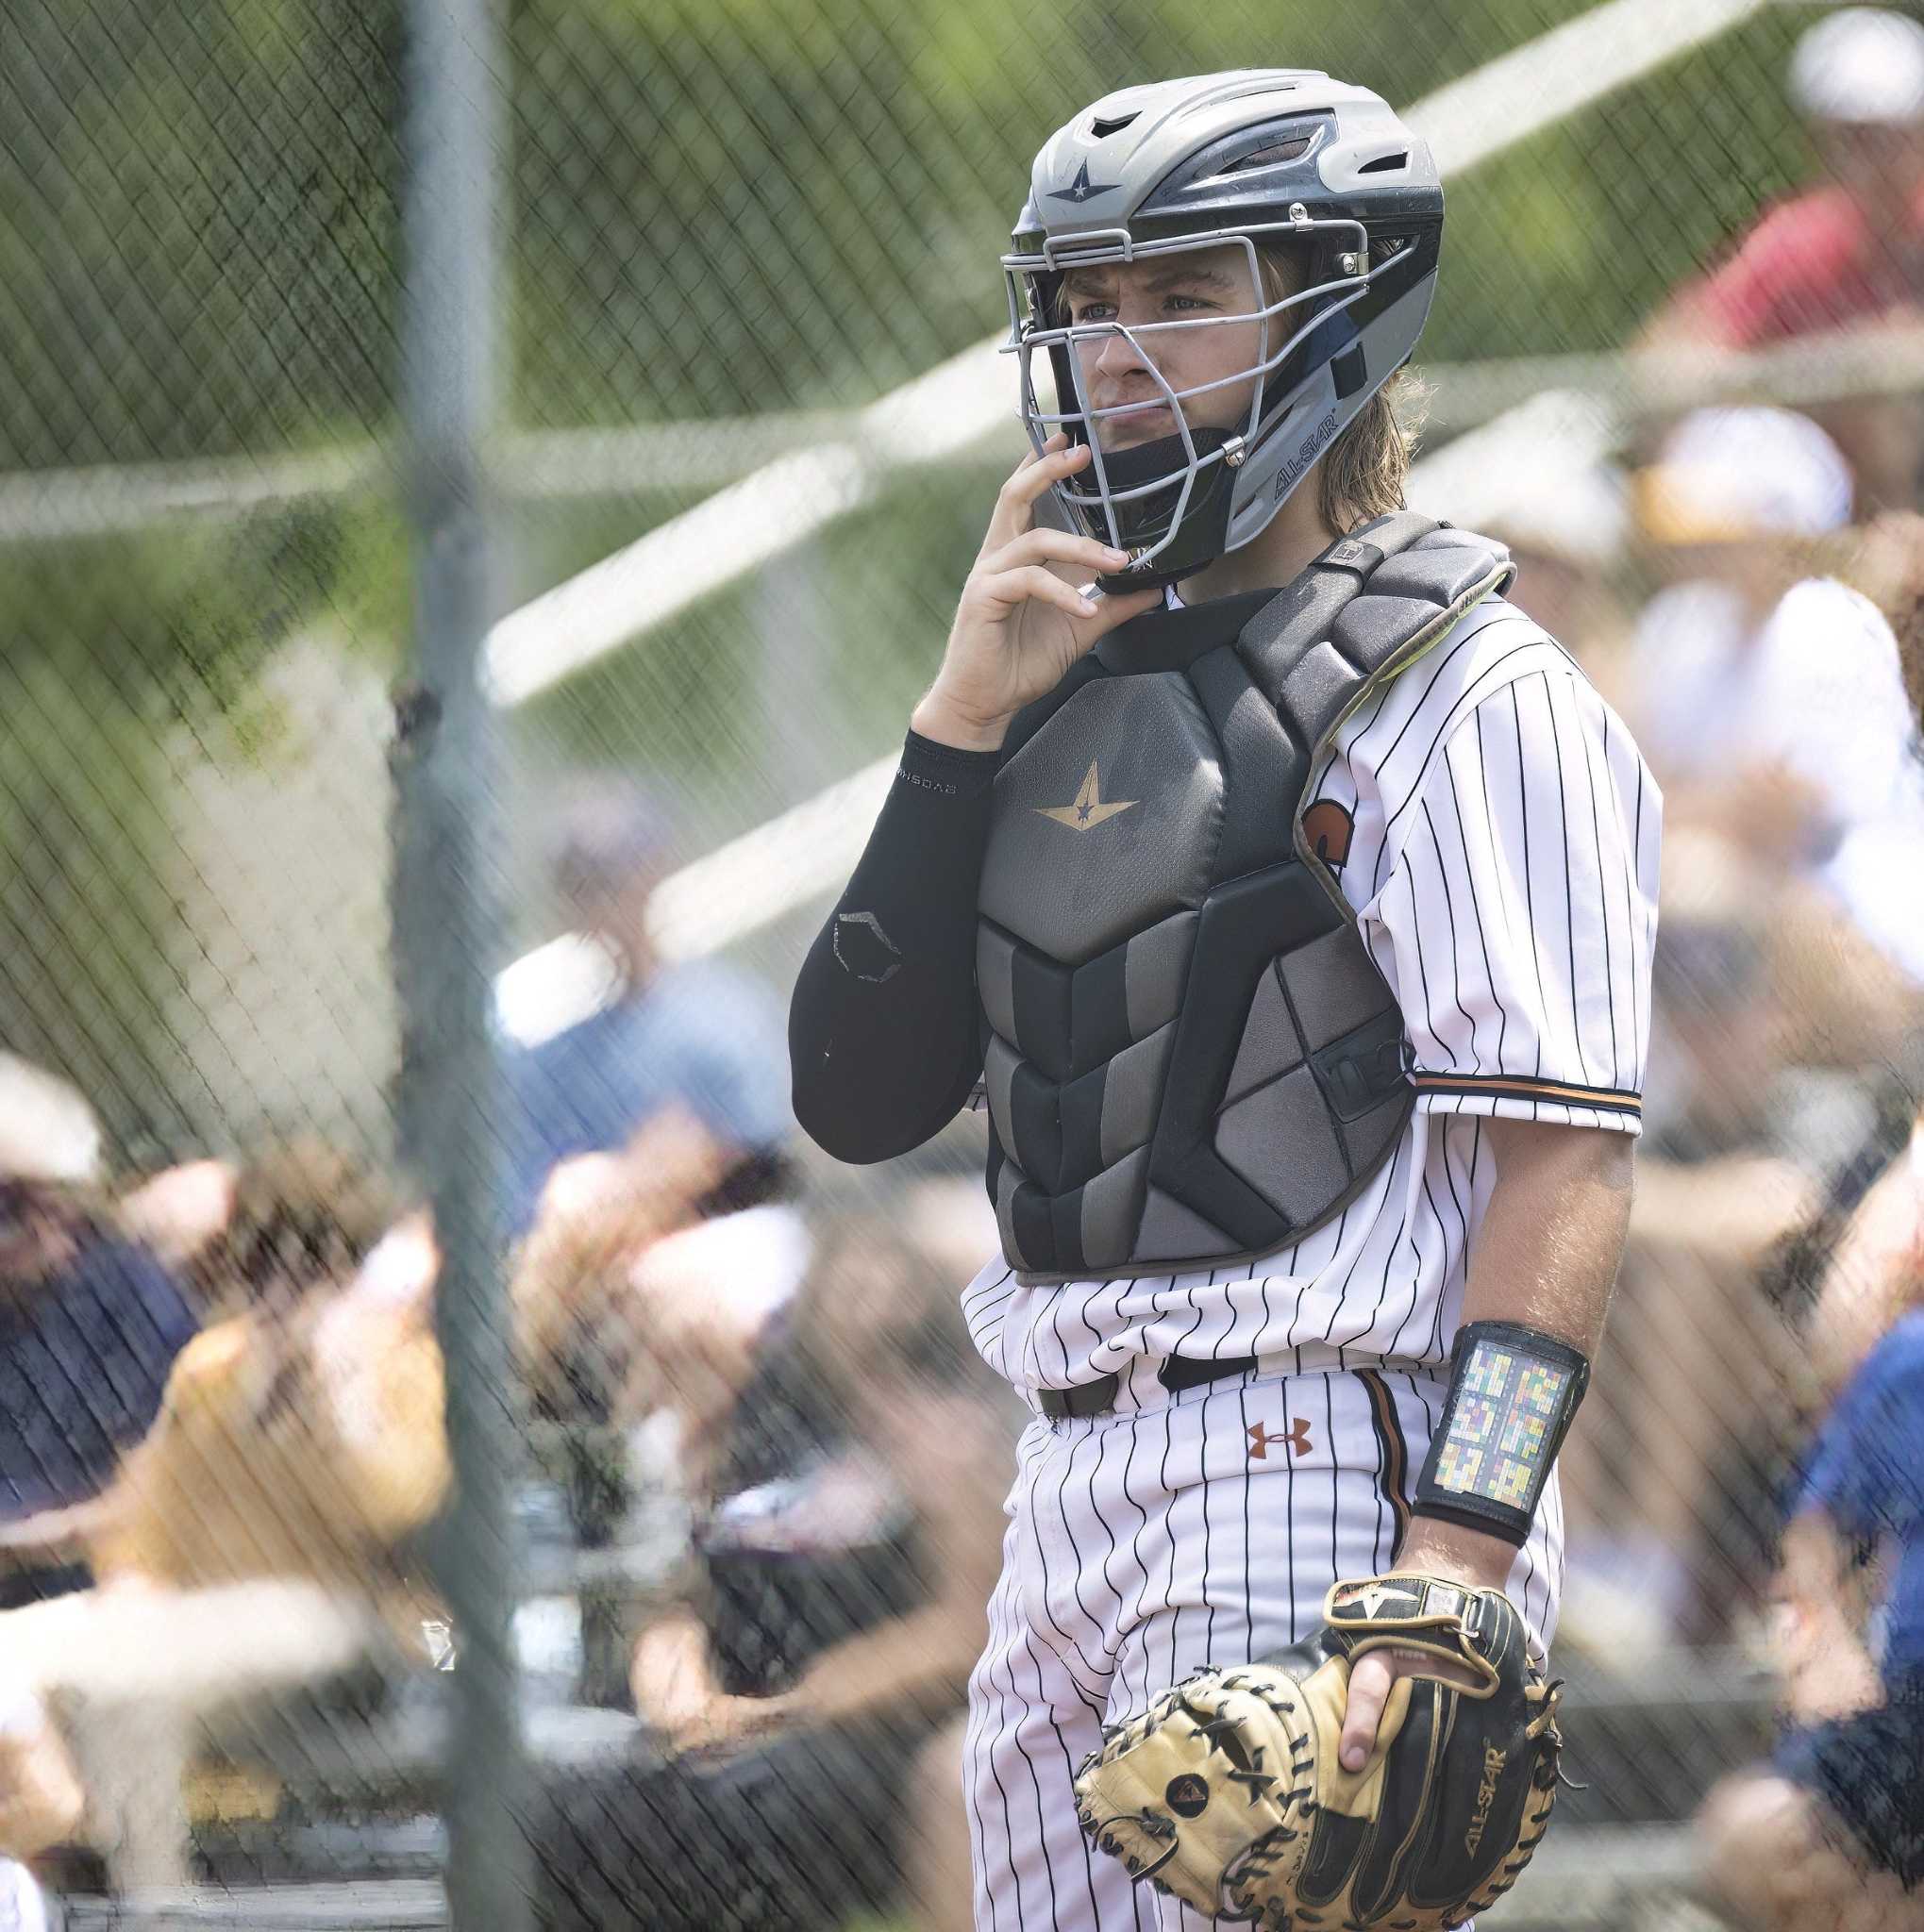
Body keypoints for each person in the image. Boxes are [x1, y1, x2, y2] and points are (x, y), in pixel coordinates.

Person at [788, 69, 1659, 1932]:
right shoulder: (1051, 677)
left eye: (1180, 295)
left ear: (1334, 310)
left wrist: (1452, 1562)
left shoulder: (1465, 689)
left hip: (1322, 1454)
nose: (1115, 354)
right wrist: (955, 728)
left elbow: (1561, 1172)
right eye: (1084, 308)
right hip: (1067, 1473)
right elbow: (857, 1092)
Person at [522, 1209, 1014, 1932]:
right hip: (720, 1729)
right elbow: (676, 1601)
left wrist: (788, 1710)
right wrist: (683, 1701)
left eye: (886, 1289)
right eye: (845, 1286)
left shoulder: (955, 1439)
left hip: (860, 1732)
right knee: (568, 1815)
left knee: (759, 1808)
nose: (864, 1306)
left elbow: (961, 1631)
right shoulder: (763, 1430)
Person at [1698, 1117, 1924, 1929]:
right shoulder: (1908, 1364)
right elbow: (1815, 1530)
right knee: (1748, 1839)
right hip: (1910, 1718)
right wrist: (1822, 1638)